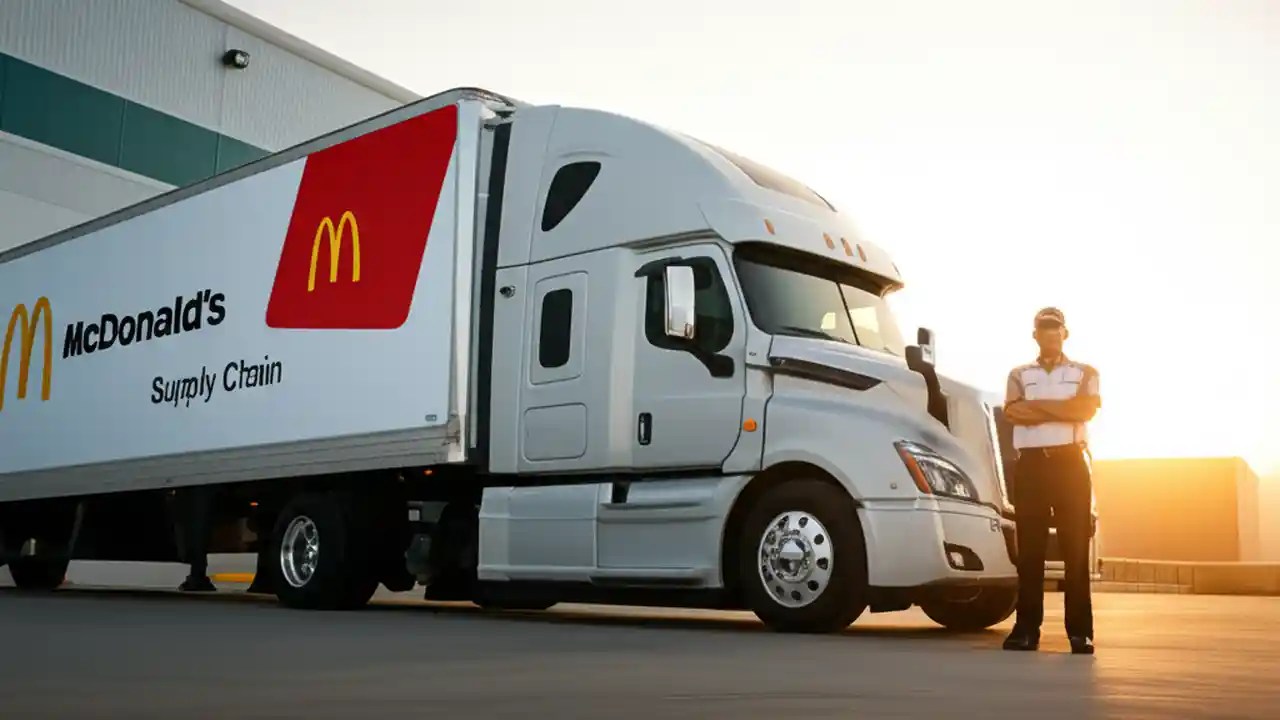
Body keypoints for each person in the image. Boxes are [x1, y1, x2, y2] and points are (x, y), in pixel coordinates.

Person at [1001, 307, 1101, 655]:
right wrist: (1062, 407)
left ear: (1065, 333)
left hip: (1070, 464)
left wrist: (1038, 409)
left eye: (1055, 327)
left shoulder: (1085, 372)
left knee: (1076, 549)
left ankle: (1080, 633)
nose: (1050, 333)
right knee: (1030, 552)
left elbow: (1084, 410)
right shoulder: (1018, 374)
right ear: (1035, 335)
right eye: (1043, 328)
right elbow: (1013, 412)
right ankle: (1026, 630)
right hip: (1031, 467)